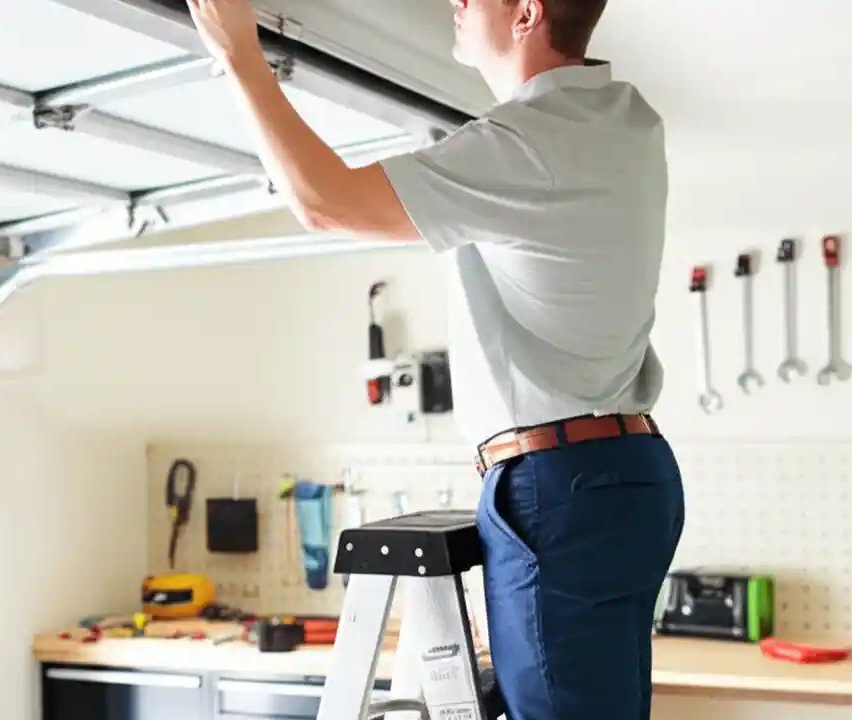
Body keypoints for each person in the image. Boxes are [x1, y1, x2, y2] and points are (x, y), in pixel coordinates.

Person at [184, 0, 685, 717]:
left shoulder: (526, 146)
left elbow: (326, 204)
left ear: (526, 15)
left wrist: (239, 52)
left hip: (561, 486)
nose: (455, 3)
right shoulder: (624, 119)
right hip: (622, 476)